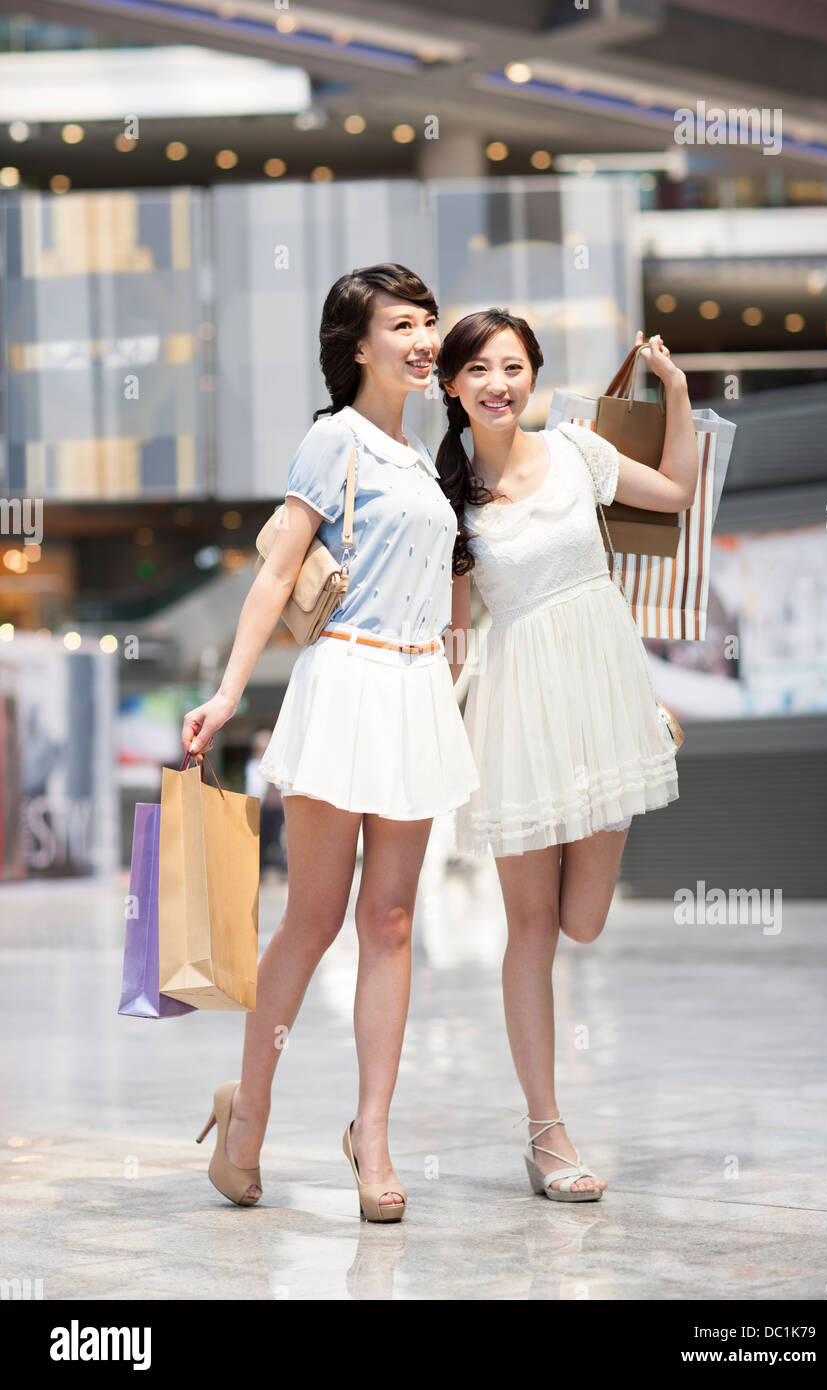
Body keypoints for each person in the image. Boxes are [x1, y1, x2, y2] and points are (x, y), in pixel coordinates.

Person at [183, 264, 478, 1219]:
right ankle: (248, 1116)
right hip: (344, 679)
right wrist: (229, 692)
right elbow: (275, 577)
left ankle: (374, 1138)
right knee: (313, 920)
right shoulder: (334, 439)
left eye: (430, 321)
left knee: (391, 924)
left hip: (416, 687)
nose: (425, 337)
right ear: (359, 347)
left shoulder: (432, 459)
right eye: (403, 324)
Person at [436, 313, 698, 1202]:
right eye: (479, 369)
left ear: (533, 375)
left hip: (602, 702)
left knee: (583, 921)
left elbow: (674, 494)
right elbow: (455, 641)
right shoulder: (454, 500)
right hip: (517, 718)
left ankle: (648, 730)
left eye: (512, 366)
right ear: (453, 386)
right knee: (533, 933)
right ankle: (547, 1132)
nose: (498, 382)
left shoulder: (579, 451)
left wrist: (678, 394)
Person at [244, 731, 285, 877]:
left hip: (275, 809)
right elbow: (254, 790)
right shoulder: (254, 766)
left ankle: (279, 870)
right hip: (263, 809)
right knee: (263, 842)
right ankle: (260, 871)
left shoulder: (272, 765)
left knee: (275, 841)